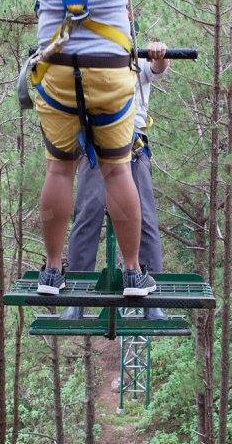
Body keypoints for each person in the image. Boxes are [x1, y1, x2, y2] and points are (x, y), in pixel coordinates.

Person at [16, 0, 198, 297]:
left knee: (60, 170)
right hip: (111, 74)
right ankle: (134, 273)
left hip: (56, 71)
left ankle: (52, 271)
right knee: (118, 171)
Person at [65, 41, 170, 319]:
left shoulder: (134, 58)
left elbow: (156, 67)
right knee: (87, 213)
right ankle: (76, 297)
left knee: (143, 217)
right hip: (96, 146)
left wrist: (159, 54)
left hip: (132, 145)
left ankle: (151, 300)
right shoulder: (91, 53)